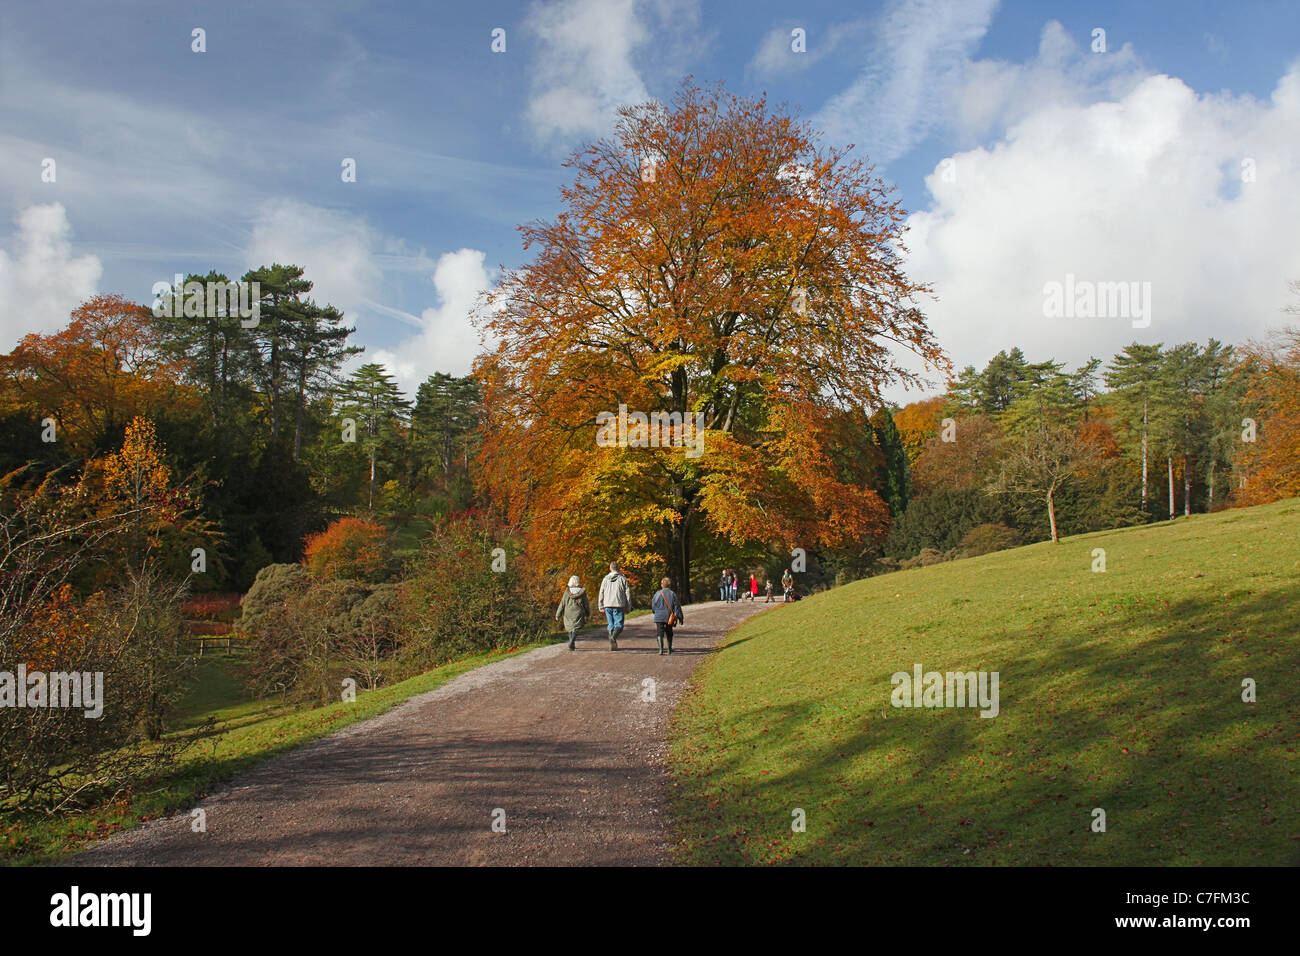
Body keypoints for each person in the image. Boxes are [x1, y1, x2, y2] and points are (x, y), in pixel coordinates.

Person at [597, 561, 631, 650]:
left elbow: (601, 593)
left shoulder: (605, 579)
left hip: (607, 604)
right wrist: (628, 606)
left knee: (611, 624)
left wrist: (600, 606)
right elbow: (627, 594)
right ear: (618, 568)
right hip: (618, 604)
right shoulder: (622, 579)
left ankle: (612, 644)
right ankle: (613, 638)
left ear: (610, 568)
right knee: (619, 624)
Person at [555, 575, 590, 651]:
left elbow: (562, 603)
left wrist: (558, 614)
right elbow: (586, 603)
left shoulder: (566, 592)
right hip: (578, 612)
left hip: (568, 613)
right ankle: (572, 641)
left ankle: (571, 642)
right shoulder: (582, 592)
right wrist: (588, 613)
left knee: (570, 628)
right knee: (576, 628)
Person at [650, 577, 684, 655]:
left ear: (662, 585)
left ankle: (660, 650)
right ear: (669, 585)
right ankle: (669, 649)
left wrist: (655, 612)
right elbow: (677, 606)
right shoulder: (672, 594)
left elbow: (653, 605)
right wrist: (680, 617)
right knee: (669, 632)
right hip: (669, 616)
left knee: (659, 632)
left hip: (658, 616)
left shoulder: (657, 594)